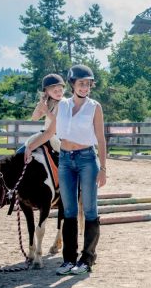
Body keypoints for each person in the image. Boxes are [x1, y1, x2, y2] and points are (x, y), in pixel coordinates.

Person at [25, 64, 108, 275]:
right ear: (72, 84)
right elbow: (49, 132)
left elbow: (100, 138)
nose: (85, 87)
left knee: (89, 209)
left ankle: (87, 259)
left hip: (87, 159)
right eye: (81, 83)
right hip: (65, 159)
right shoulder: (62, 106)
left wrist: (104, 168)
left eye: (88, 84)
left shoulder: (94, 107)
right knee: (69, 211)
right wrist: (29, 147)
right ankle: (69, 260)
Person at [16, 73, 65, 155]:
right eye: (55, 91)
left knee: (28, 148)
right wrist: (41, 103)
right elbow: (35, 118)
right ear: (47, 92)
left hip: (57, 138)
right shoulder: (50, 103)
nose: (59, 93)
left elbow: (58, 123)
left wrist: (46, 111)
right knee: (22, 150)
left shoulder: (64, 103)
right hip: (46, 135)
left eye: (60, 90)